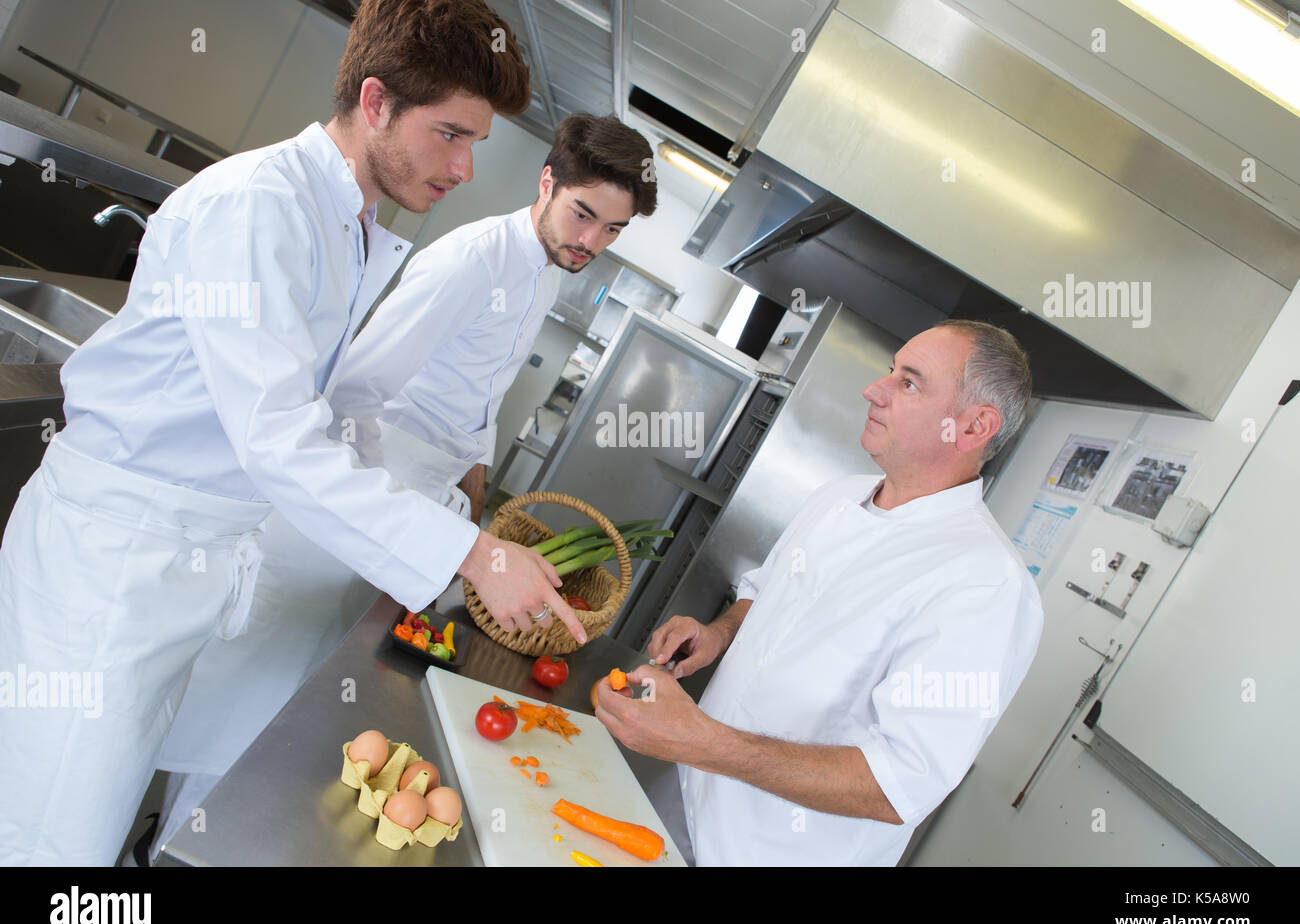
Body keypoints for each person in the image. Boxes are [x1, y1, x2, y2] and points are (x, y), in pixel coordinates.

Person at [0, 0, 591, 868]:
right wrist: (470, 553)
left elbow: (313, 414)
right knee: (52, 837)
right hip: (114, 561)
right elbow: (279, 436)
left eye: (477, 144)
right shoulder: (258, 207)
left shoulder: (347, 220)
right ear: (379, 102)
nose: (465, 168)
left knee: (111, 802)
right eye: (452, 135)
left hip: (190, 559)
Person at [148, 113, 658, 861]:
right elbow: (358, 390)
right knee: (251, 709)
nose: (590, 241)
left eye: (612, 231)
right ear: (547, 182)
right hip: (354, 505)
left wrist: (469, 492)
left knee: (301, 699)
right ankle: (173, 854)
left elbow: (477, 399)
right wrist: (420, 526)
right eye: (584, 214)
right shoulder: (473, 259)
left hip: (411, 509)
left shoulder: (542, 272)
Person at [594, 319, 1044, 866]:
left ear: (973, 427)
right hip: (688, 795)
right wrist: (717, 634)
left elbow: (896, 784)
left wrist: (700, 741)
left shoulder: (985, 582)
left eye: (909, 382)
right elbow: (764, 594)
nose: (873, 390)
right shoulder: (841, 496)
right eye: (890, 371)